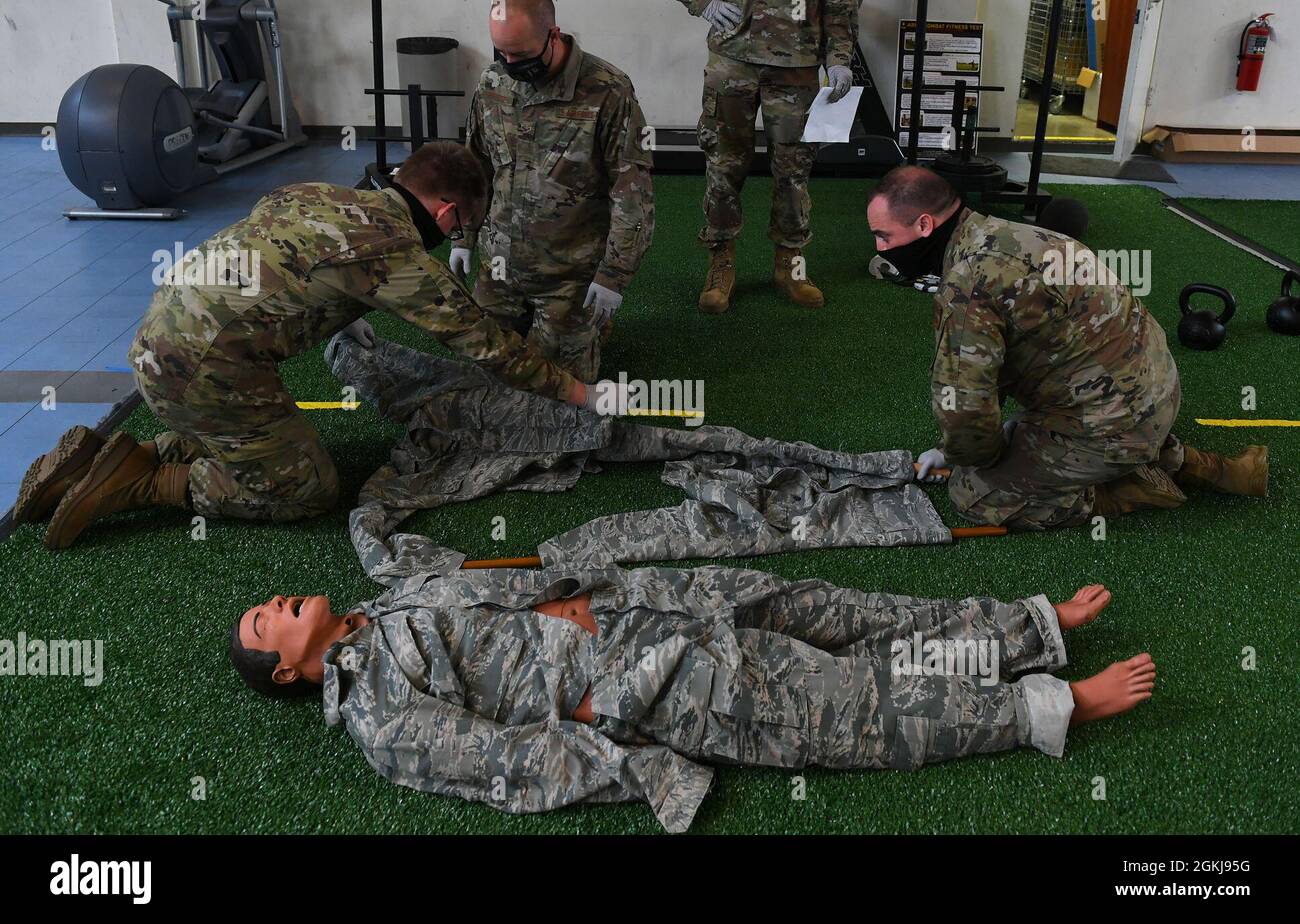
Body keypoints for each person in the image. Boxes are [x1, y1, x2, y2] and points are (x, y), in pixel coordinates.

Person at [18, 141, 621, 549]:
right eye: (460, 225)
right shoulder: (396, 257)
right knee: (308, 490)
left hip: (156, 344)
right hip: (202, 376)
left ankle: (134, 447)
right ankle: (144, 482)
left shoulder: (316, 194)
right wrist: (578, 391)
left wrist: (339, 317)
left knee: (244, 420)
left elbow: (292, 258)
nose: (456, 236)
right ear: (444, 212)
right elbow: (489, 347)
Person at [230, 567, 1153, 833]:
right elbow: (506, 765)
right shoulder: (375, 717)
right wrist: (617, 723)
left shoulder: (387, 597)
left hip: (662, 604)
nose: (273, 605)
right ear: (285, 671)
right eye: (263, 623)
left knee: (847, 613)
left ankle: (1027, 629)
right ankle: (1057, 705)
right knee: (858, 705)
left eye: (268, 602)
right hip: (661, 684)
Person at [867, 165, 1268, 530]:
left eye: (884, 236)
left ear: (924, 225)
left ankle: (1128, 490)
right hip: (1158, 391)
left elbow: (966, 410)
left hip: (1116, 421)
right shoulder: (1016, 234)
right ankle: (1214, 470)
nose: (882, 249)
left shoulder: (968, 284)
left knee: (974, 494)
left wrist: (963, 457)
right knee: (1101, 421)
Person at [461, 0, 655, 382]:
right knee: (481, 375)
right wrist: (463, 237)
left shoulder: (608, 90)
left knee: (553, 392)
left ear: (554, 34)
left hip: (568, 274)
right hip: (499, 263)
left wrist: (614, 275)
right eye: (503, 53)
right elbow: (475, 165)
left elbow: (630, 189)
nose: (510, 63)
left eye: (522, 54)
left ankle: (584, 328)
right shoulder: (493, 83)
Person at [659, 0, 860, 313]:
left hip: (798, 63)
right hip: (733, 58)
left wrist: (839, 58)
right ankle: (721, 261)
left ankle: (790, 265)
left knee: (794, 169)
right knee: (724, 163)